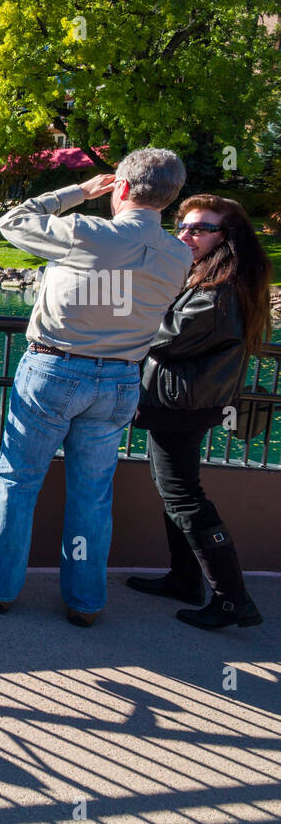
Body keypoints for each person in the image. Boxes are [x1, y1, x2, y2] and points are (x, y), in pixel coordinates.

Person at [0, 148, 194, 627]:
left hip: (54, 372)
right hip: (120, 381)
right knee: (92, 494)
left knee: (18, 480)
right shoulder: (179, 254)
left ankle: (1, 591)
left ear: (120, 188)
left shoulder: (87, 233)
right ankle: (84, 601)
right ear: (171, 196)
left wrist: (78, 191)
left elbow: (14, 221)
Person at [126, 195, 271, 628]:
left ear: (228, 237)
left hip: (182, 404)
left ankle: (232, 598)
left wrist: (124, 317)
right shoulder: (212, 275)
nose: (186, 235)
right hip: (184, 401)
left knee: (185, 497)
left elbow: (167, 337)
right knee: (175, 490)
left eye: (200, 228)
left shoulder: (222, 287)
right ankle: (185, 578)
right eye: (184, 227)